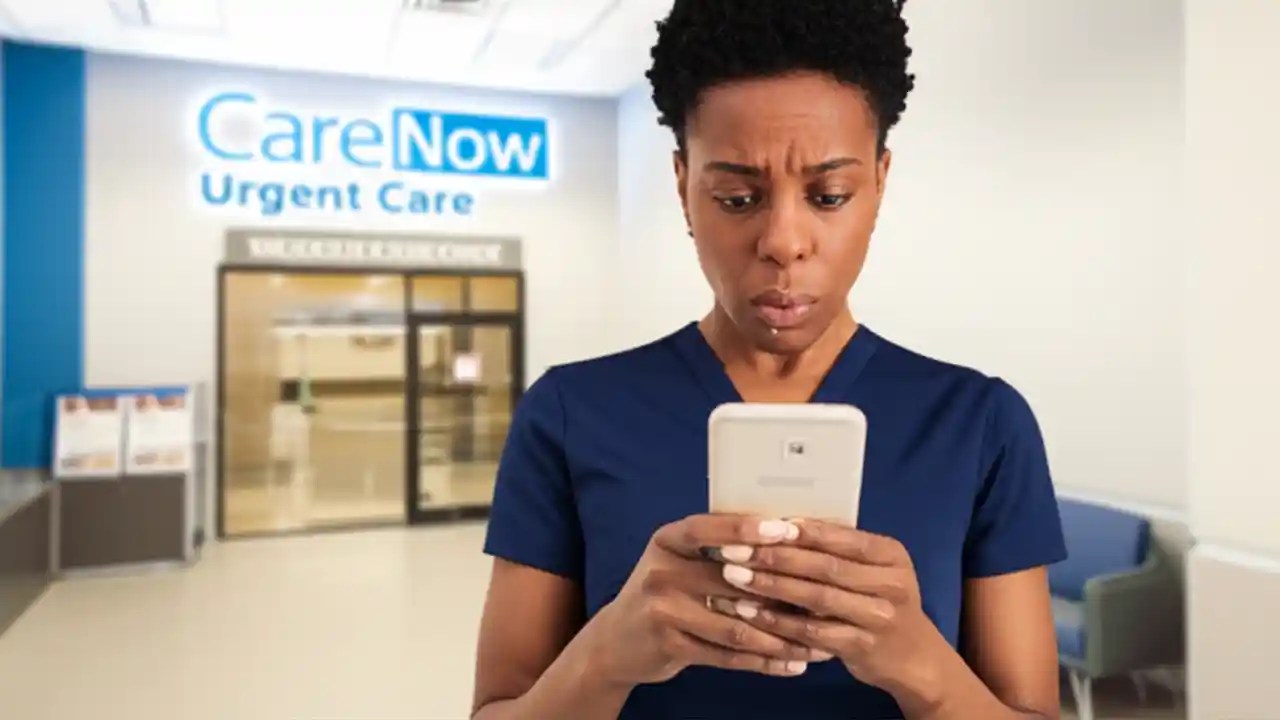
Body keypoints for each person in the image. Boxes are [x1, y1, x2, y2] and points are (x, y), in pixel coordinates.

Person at [472, 1, 1067, 718]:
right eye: (737, 197)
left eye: (830, 195)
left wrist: (921, 665)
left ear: (879, 184)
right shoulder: (570, 414)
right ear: (683, 187)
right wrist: (610, 653)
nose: (784, 241)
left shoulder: (980, 424)